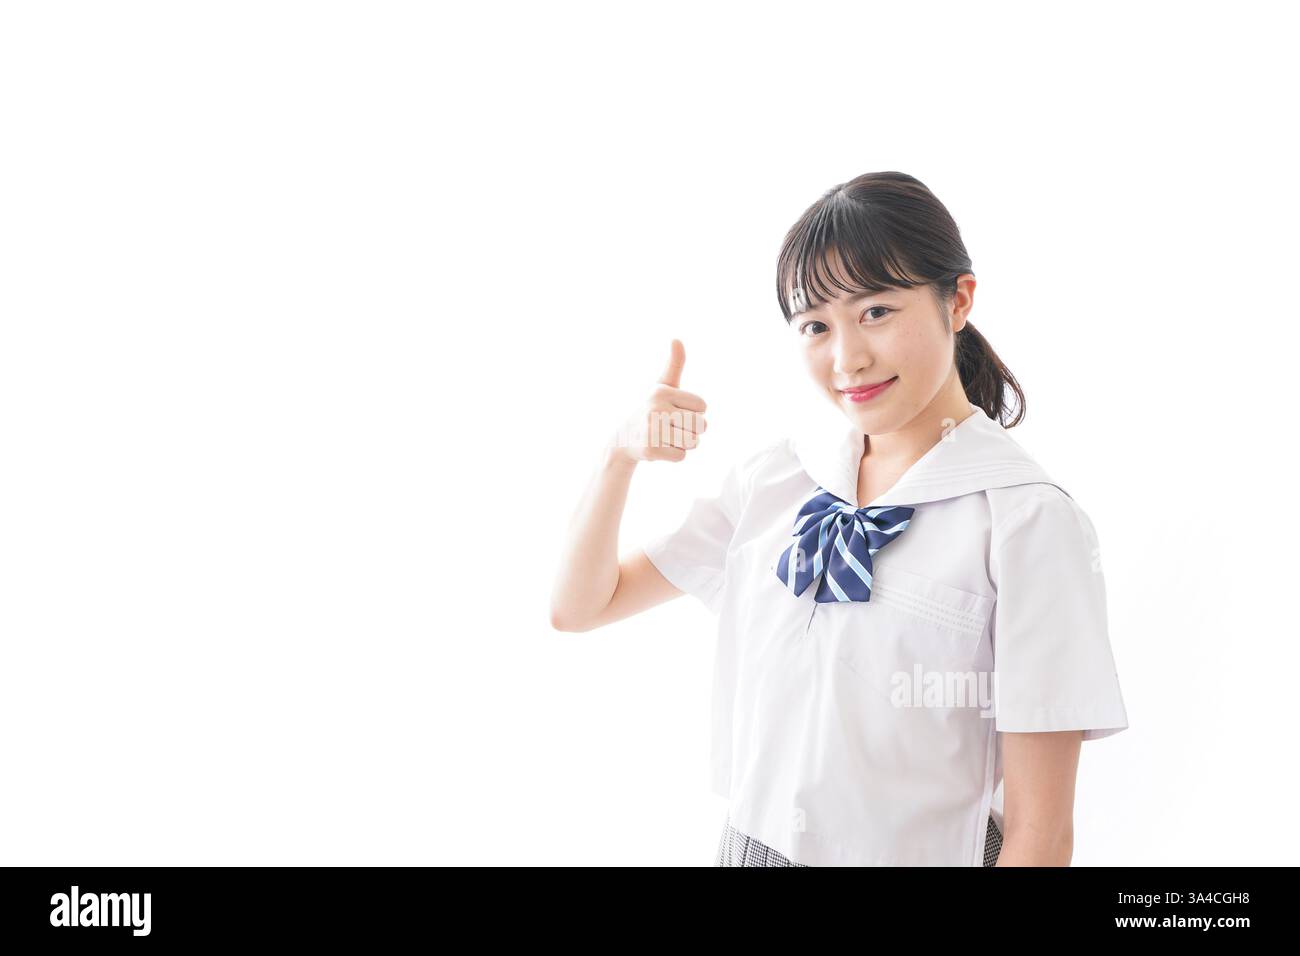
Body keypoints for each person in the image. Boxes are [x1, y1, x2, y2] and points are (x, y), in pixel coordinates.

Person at [549, 171, 1129, 866]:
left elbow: (1042, 835)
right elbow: (580, 606)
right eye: (816, 326)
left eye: (877, 311)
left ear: (958, 300)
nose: (847, 358)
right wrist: (619, 455)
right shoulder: (778, 479)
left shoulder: (1026, 522)